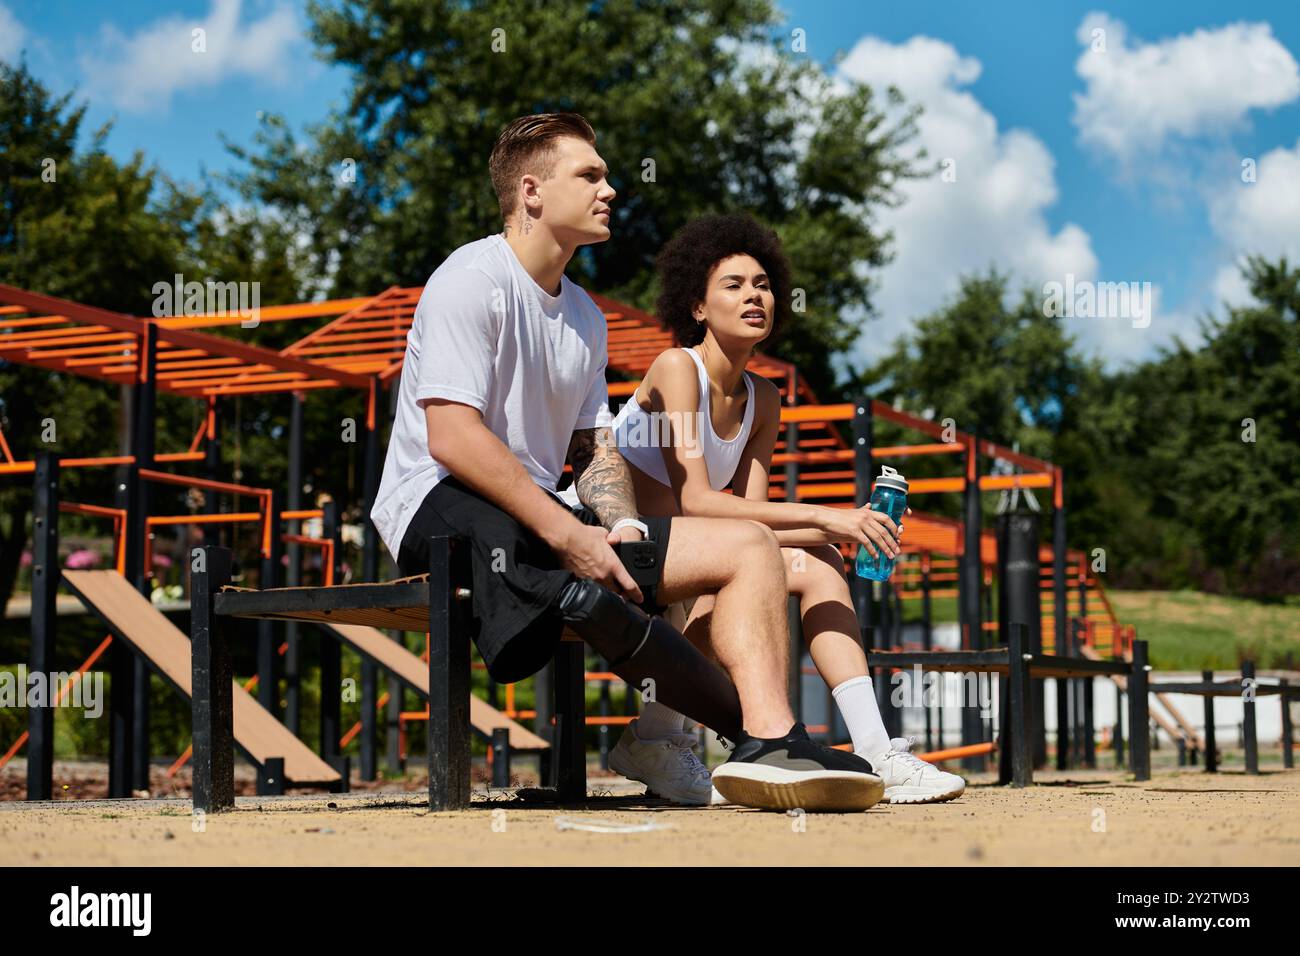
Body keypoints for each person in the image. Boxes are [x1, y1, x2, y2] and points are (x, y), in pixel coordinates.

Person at [371, 113, 883, 811]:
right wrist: (570, 535)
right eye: (590, 175)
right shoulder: (471, 278)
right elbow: (453, 439)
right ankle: (677, 699)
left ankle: (770, 740)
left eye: (607, 176)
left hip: (547, 514)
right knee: (556, 570)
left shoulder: (585, 315)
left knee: (749, 544)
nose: (611, 189)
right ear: (530, 191)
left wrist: (620, 524)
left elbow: (591, 450)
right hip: (435, 504)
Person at [596, 213, 965, 805]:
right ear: (697, 306)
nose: (754, 296)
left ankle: (875, 751)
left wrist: (828, 531)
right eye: (734, 284)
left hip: (686, 553)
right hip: (614, 542)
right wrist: (831, 516)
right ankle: (655, 737)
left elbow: (748, 516)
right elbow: (696, 501)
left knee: (815, 561)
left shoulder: (763, 398)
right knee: (787, 550)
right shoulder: (677, 368)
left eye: (763, 284)